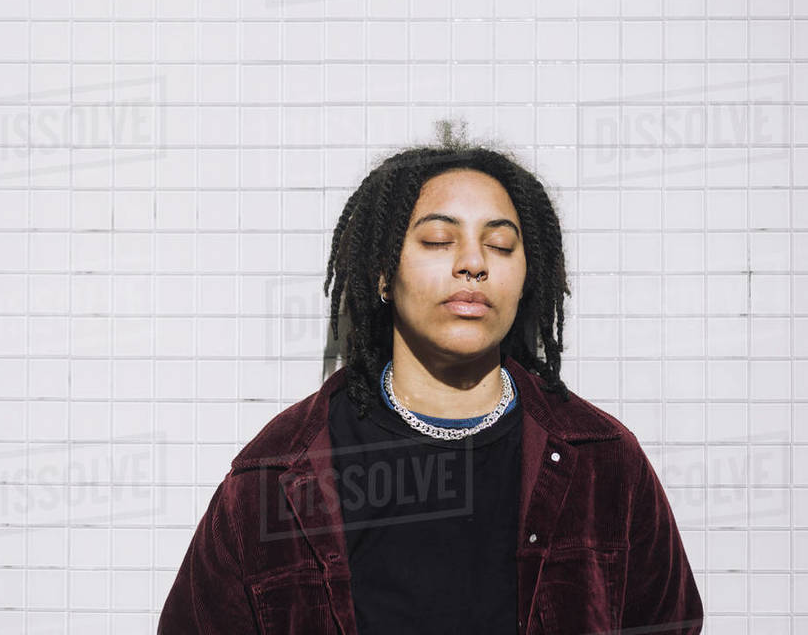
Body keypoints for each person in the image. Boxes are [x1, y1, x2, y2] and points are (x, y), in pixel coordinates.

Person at [158, 125, 704, 634]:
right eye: (439, 240)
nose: (472, 262)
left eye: (501, 245)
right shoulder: (274, 476)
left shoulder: (603, 462)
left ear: (525, 276)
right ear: (382, 274)